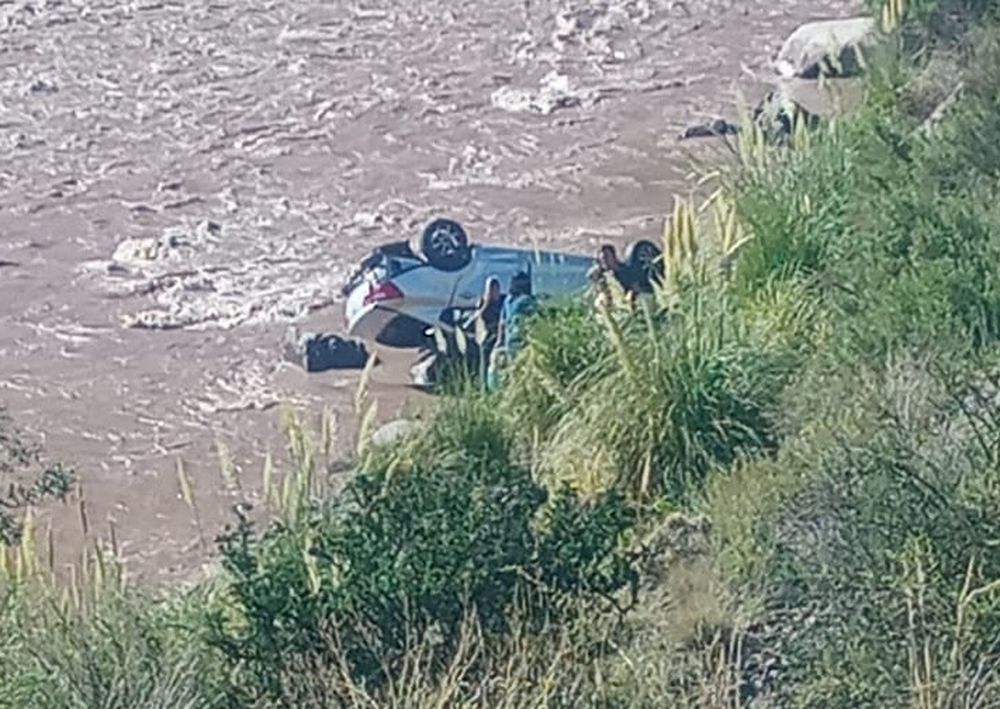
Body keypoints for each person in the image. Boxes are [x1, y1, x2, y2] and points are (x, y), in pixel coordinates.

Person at [488, 271, 536, 390]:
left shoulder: (508, 300)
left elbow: (502, 322)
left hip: (511, 339)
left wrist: (499, 340)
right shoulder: (527, 301)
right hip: (521, 341)